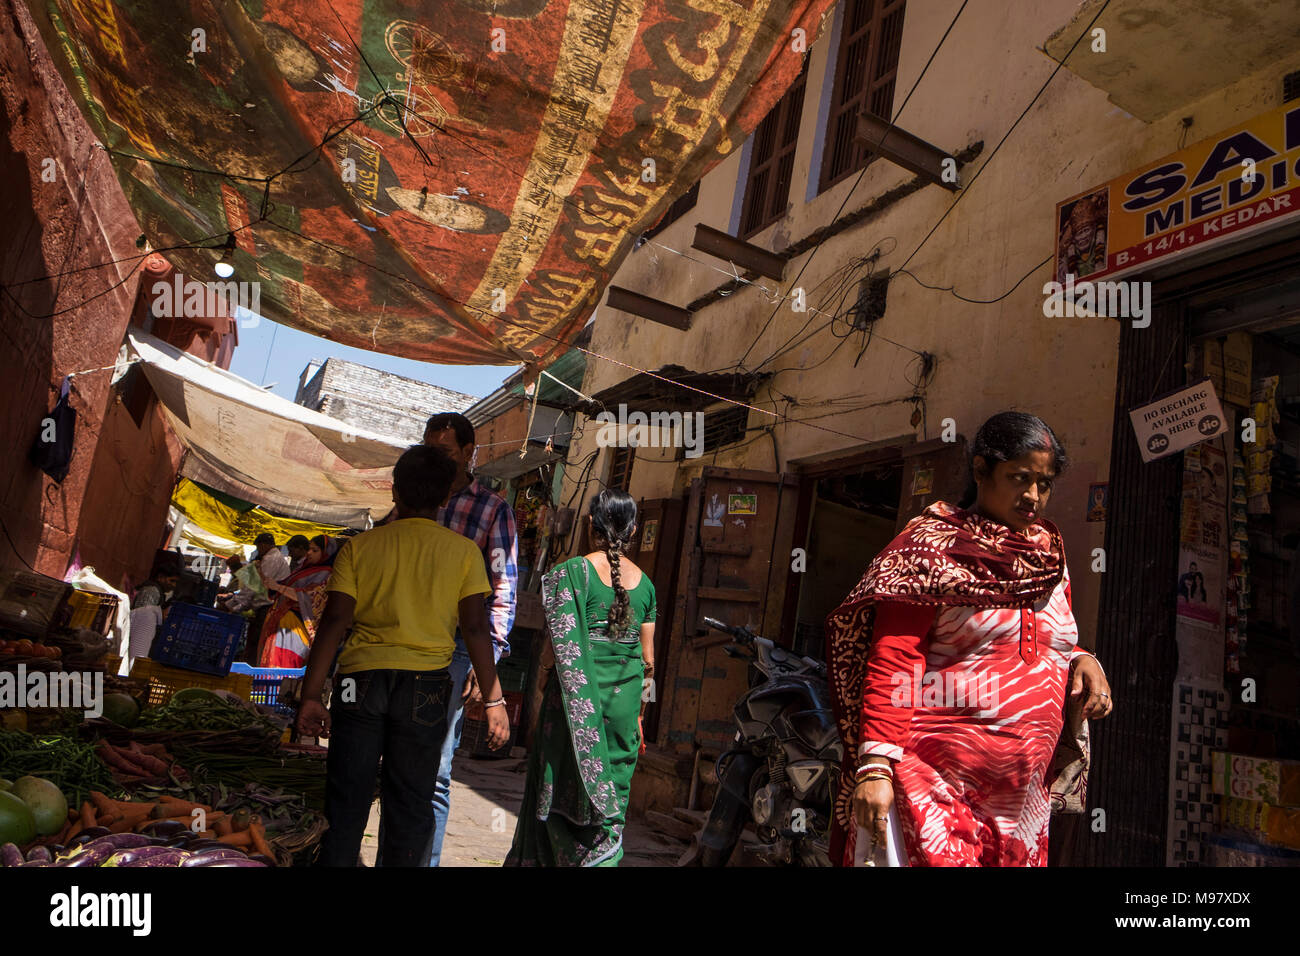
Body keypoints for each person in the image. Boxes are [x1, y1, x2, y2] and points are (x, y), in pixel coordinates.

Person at [825, 411, 1113, 867]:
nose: (1033, 496)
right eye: (1020, 478)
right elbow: (896, 656)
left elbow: (1041, 636)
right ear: (981, 471)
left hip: (1021, 801)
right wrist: (875, 766)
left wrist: (1082, 658)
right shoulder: (931, 549)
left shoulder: (1048, 559)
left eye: (1045, 483)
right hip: (933, 786)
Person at [297, 445, 510, 867]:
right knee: (411, 804)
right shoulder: (464, 552)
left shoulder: (361, 548)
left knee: (346, 799)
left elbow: (335, 622)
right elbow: (474, 629)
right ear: (445, 499)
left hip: (360, 681)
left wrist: (311, 694)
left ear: (394, 492)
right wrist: (494, 698)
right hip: (427, 687)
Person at [375, 411, 519, 867]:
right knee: (392, 763)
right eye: (430, 449)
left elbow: (503, 590)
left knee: (434, 771)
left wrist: (486, 662)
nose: (436, 459)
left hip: (458, 646)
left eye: (446, 452)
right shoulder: (409, 503)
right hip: (400, 636)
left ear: (469, 452)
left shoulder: (492, 509)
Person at [505, 489, 656, 867]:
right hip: (623, 708)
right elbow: (648, 662)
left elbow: (556, 648)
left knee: (556, 798)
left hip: (573, 706)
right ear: (634, 529)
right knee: (609, 810)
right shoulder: (648, 586)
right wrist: (638, 715)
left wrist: (541, 680)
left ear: (591, 525)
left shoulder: (571, 573)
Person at [258, 535, 339, 668]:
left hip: (296, 627)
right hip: (282, 623)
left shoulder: (326, 575)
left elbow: (308, 597)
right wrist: (271, 584)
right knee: (272, 663)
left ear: (325, 553)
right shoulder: (305, 568)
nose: (309, 553)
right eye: (309, 549)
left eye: (315, 550)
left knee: (282, 665)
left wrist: (278, 587)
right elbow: (286, 586)